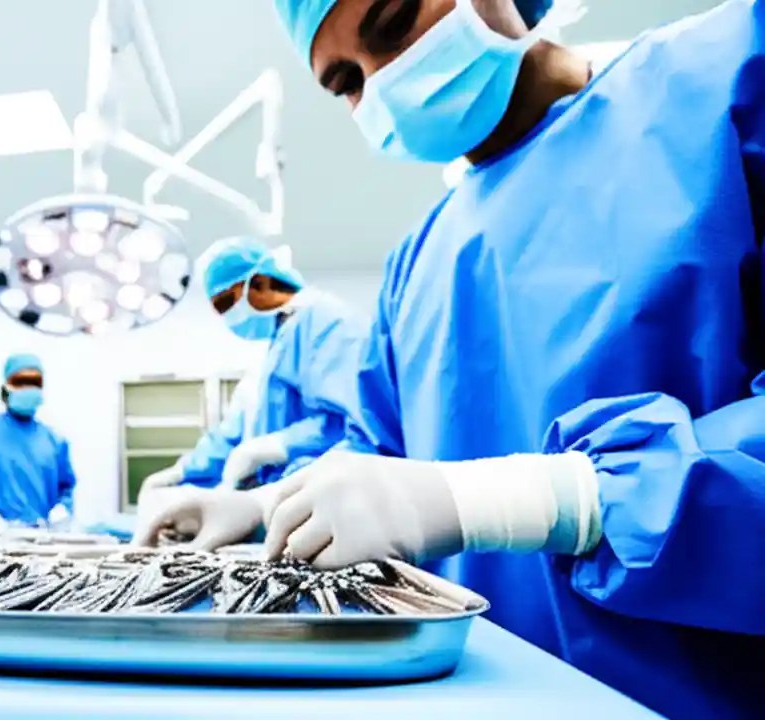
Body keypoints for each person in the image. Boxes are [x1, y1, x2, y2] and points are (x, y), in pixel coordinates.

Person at [138, 0, 765, 717]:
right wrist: (259, 508)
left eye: (394, 23)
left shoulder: (728, 80)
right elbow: (380, 456)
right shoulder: (418, 266)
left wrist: (544, 502)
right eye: (346, 82)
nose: (383, 80)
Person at [139, 238, 367, 495]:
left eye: (226, 303)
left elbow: (357, 421)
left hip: (326, 497)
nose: (226, 316)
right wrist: (182, 472)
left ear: (259, 283)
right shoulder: (277, 347)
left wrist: (275, 447)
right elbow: (231, 436)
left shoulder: (326, 323)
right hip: (283, 498)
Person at [0, 353, 77, 527]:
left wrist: (61, 511)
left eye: (34, 383)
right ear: (6, 387)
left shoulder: (55, 441)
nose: (28, 388)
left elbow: (66, 489)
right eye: (21, 381)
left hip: (44, 534)